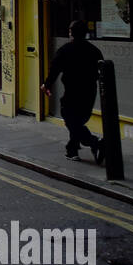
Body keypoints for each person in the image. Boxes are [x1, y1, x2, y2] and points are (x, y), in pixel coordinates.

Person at [40, 19, 105, 163]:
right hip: (89, 92)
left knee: (70, 119)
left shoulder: (65, 50)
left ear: (71, 33)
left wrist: (47, 85)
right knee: (78, 121)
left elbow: (54, 70)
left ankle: (96, 143)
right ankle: (72, 150)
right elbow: (101, 73)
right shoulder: (95, 51)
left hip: (72, 92)